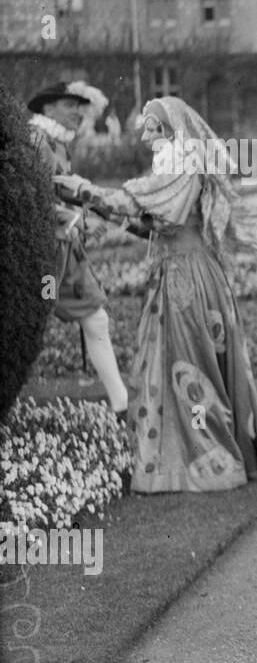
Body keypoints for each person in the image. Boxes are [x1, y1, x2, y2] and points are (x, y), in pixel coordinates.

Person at [53, 97, 257, 493]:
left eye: (153, 128)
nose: (146, 137)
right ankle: (192, 456)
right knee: (183, 363)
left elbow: (134, 200)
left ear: (173, 130)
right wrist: (99, 209)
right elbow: (152, 225)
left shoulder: (184, 165)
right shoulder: (179, 166)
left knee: (191, 367)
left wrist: (80, 189)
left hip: (188, 279)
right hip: (178, 274)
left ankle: (208, 461)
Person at [27, 81, 131, 418]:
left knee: (95, 318)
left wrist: (92, 213)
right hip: (40, 254)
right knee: (28, 324)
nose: (78, 113)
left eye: (80, 106)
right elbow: (33, 199)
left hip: (64, 252)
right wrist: (79, 219)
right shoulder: (36, 141)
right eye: (70, 105)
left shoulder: (57, 144)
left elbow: (67, 193)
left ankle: (121, 405)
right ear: (48, 108)